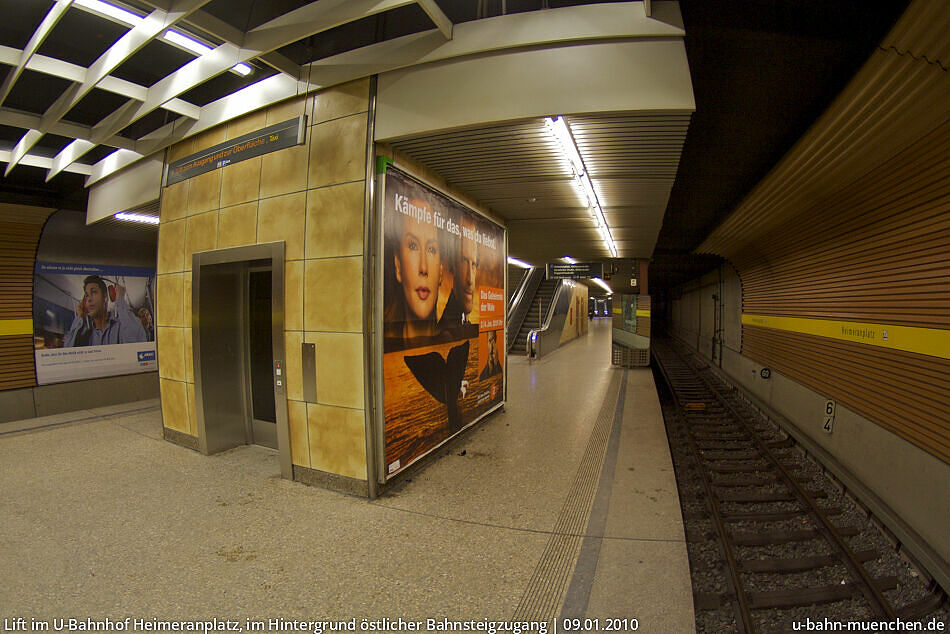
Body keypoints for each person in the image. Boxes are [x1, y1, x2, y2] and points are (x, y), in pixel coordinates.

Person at [384, 199, 443, 345]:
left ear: (441, 272)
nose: (423, 268)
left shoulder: (453, 343)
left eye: (431, 249)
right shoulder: (385, 347)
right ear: (398, 266)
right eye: (413, 246)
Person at [64, 275, 148, 347]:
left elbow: (139, 341)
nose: (89, 299)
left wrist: (120, 301)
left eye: (93, 292)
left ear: (105, 297)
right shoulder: (85, 333)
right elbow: (68, 349)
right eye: (87, 295)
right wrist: (80, 317)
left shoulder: (121, 326)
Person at [438, 214, 479, 337]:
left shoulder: (464, 325)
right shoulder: (447, 333)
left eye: (473, 264)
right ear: (453, 265)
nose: (470, 279)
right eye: (464, 261)